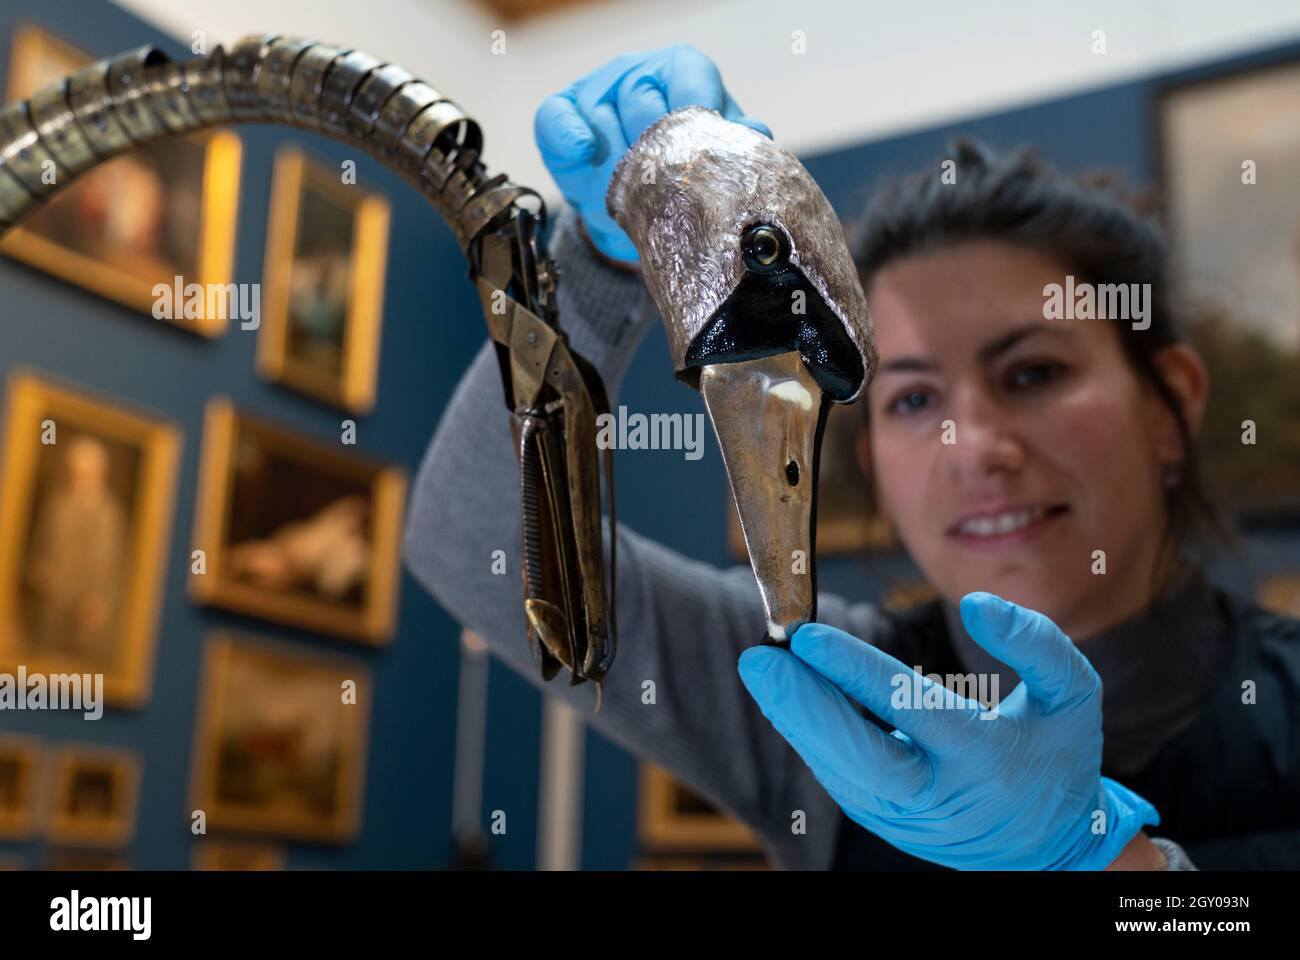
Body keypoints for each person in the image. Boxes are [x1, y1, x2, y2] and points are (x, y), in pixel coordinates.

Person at [404, 46, 1300, 870]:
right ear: (873, 459)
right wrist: (605, 269)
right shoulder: (833, 694)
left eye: (1034, 372)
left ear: (1171, 404)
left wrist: (1107, 863)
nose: (975, 448)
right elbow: (475, 539)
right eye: (913, 400)